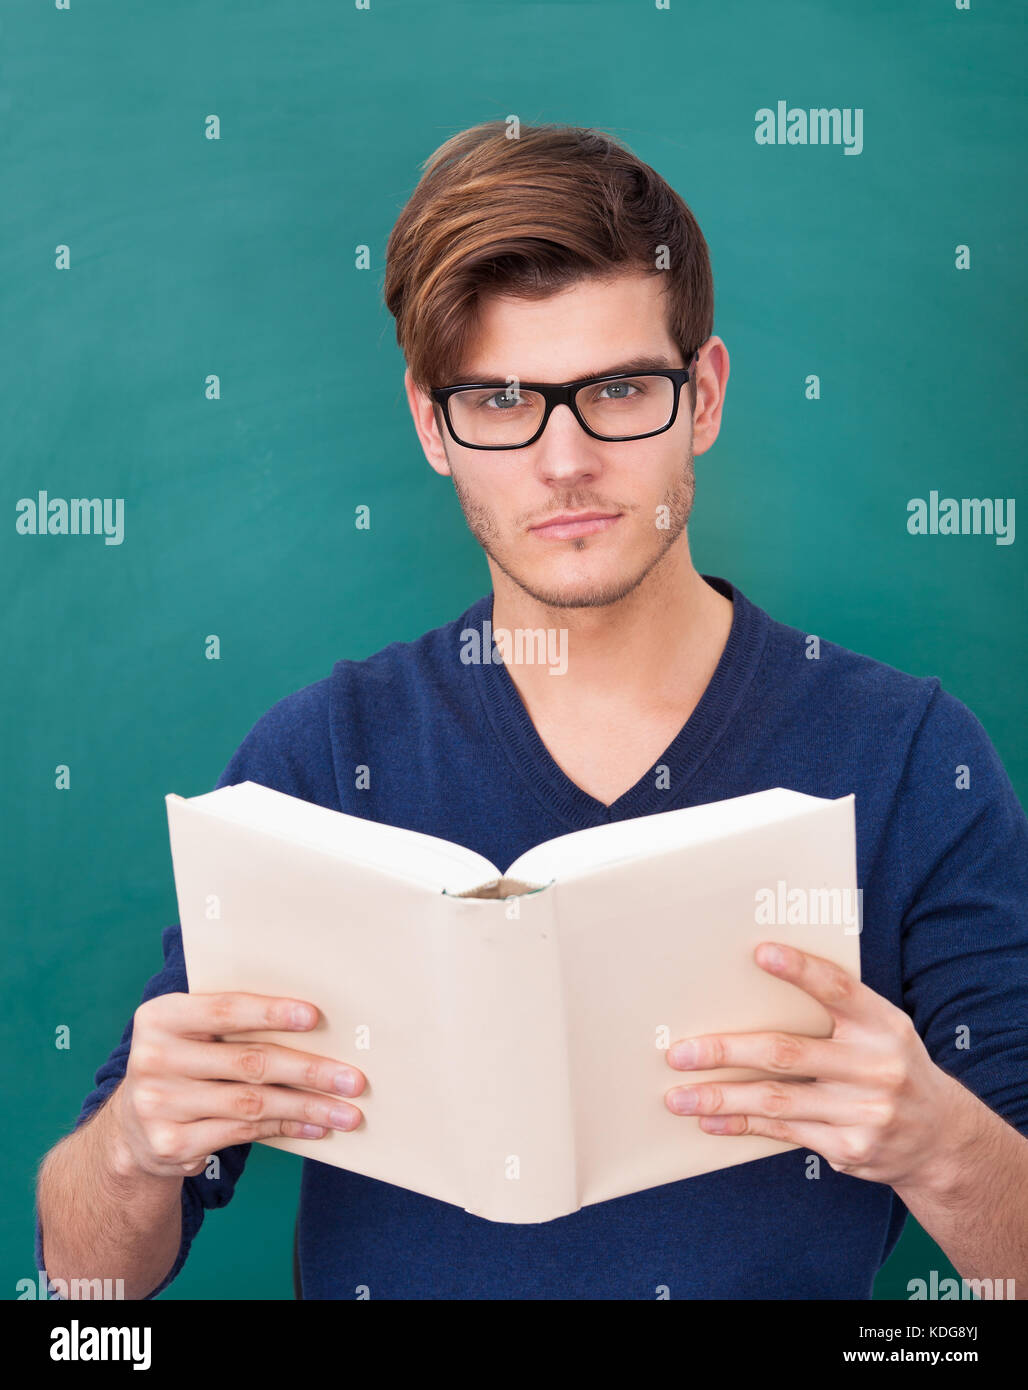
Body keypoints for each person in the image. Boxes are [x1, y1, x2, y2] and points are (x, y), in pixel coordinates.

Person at [35, 121, 1028, 1300]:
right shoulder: (315, 761)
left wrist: (934, 1141)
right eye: (501, 400)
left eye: (617, 389)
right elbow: (88, 1290)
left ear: (701, 397)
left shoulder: (908, 754)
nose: (563, 460)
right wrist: (140, 1143)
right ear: (430, 425)